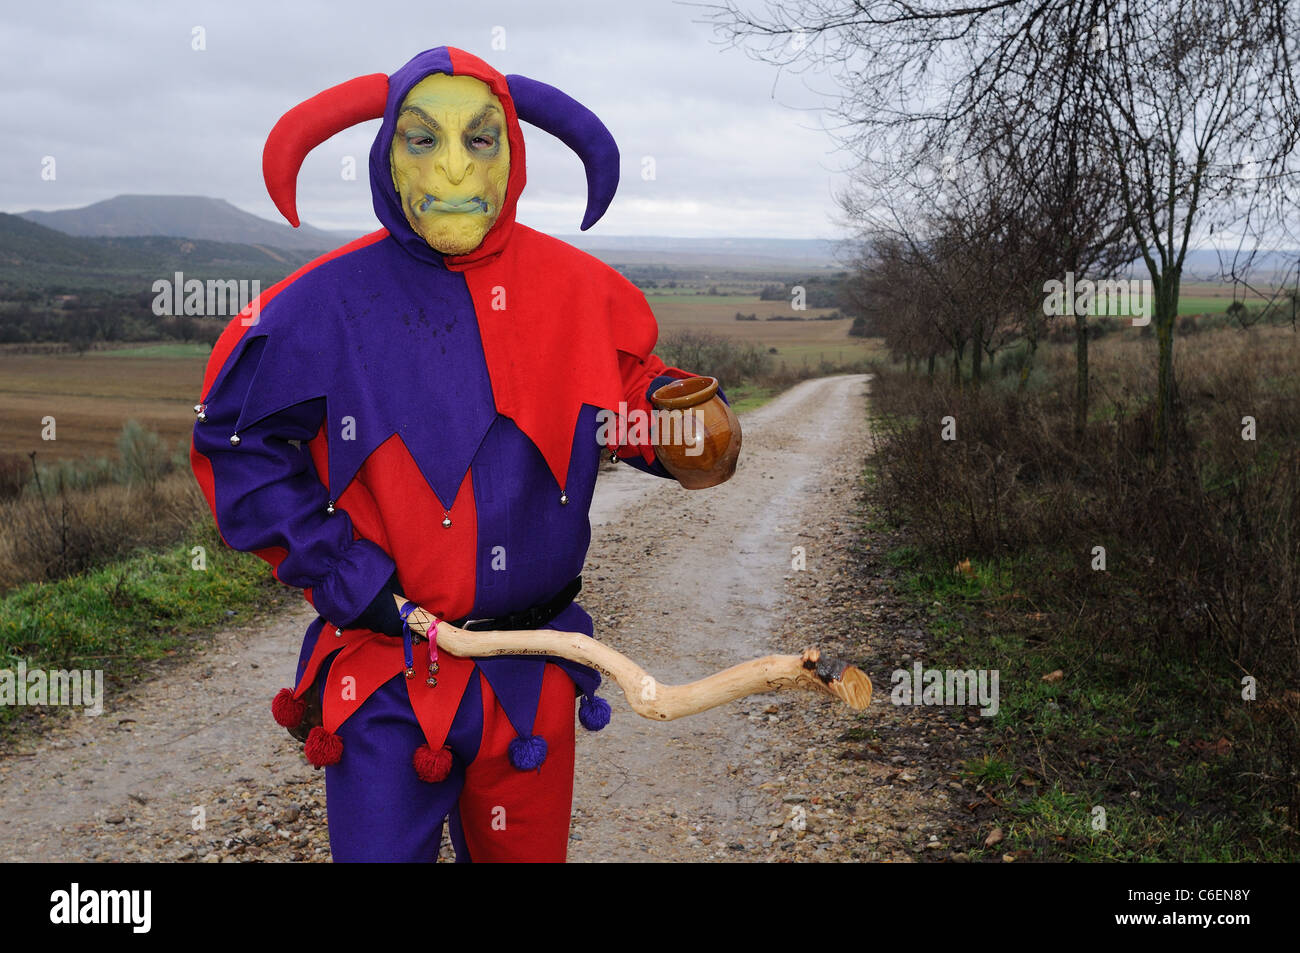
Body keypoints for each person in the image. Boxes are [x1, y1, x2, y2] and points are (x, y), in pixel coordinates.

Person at [191, 46, 740, 862]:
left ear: (512, 155)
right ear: (386, 157)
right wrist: (348, 577)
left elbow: (622, 394)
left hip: (534, 671)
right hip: (385, 675)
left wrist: (680, 423)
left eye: (479, 141)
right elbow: (240, 445)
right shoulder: (317, 307)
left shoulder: (577, 291)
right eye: (422, 140)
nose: (452, 165)